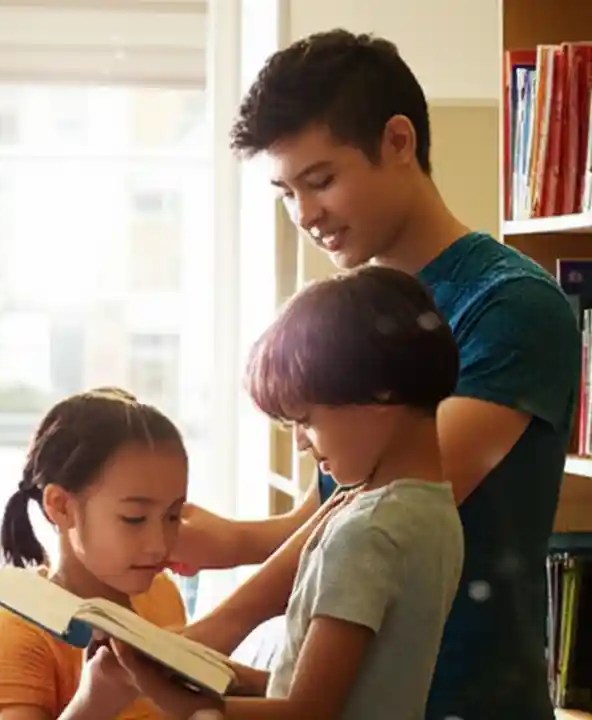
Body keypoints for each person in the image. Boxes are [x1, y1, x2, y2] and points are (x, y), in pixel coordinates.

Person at [169, 29, 580, 719]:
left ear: (398, 141)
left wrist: (218, 628)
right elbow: (335, 503)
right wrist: (230, 541)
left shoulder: (510, 305)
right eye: (287, 192)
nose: (306, 215)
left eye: (322, 180)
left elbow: (389, 500)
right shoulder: (359, 316)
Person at [91, 265, 465, 720]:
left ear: (380, 390)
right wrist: (199, 667)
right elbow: (336, 691)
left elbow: (309, 713)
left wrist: (156, 687)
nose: (301, 442)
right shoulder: (432, 510)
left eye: (306, 420)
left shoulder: (368, 532)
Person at [0, 388, 254, 720]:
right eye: (134, 518)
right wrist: (96, 700)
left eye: (172, 516)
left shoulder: (161, 592)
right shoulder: (18, 629)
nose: (159, 544)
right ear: (61, 506)